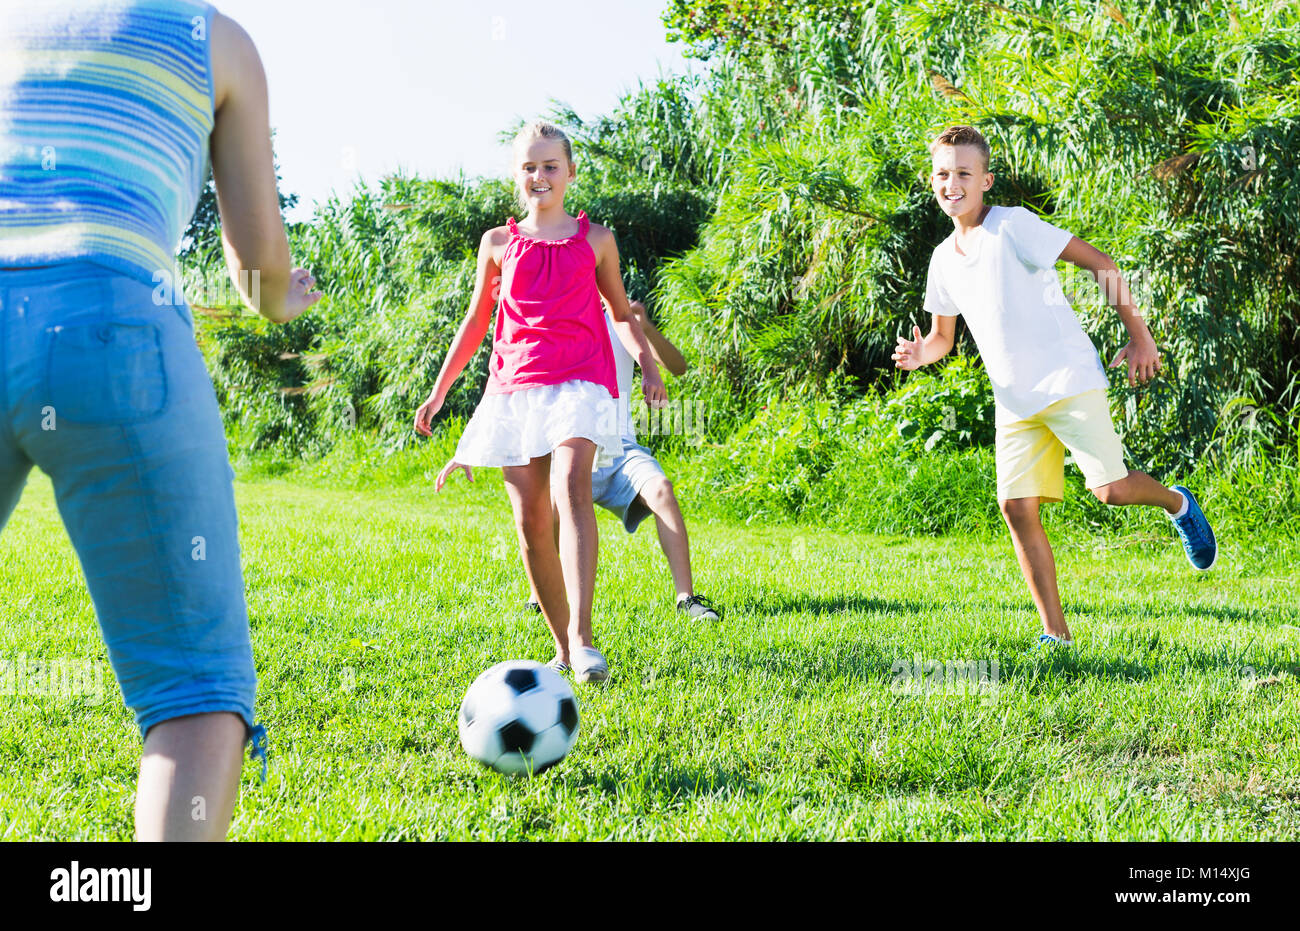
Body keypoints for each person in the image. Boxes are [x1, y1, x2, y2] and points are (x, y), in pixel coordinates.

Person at [0, 1, 321, 840]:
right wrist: (286, 297)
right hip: (113, 323)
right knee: (193, 689)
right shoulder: (215, 41)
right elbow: (257, 274)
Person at [893, 125, 1216, 647]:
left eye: (964, 174)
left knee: (1110, 491)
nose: (951, 183)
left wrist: (1140, 337)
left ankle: (1177, 504)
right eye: (943, 173)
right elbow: (941, 339)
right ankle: (1056, 636)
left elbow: (1101, 264)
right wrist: (917, 355)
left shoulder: (1012, 227)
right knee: (1017, 508)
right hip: (1015, 401)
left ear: (987, 181)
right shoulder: (941, 260)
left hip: (1066, 379)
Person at [414, 121, 666, 683]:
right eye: (529, 166)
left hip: (581, 381)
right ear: (516, 176)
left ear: (570, 173)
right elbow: (477, 321)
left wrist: (648, 365)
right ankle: (561, 646)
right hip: (515, 389)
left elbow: (621, 313)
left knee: (571, 487)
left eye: (550, 166)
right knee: (530, 521)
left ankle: (582, 637)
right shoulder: (498, 244)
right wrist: (440, 390)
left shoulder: (596, 240)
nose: (539, 176)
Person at [524, 300, 723, 624]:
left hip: (620, 449)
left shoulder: (622, 321)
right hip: (572, 447)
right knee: (554, 507)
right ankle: (540, 596)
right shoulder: (558, 318)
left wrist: (645, 327)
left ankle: (686, 599)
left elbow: (678, 367)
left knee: (662, 490)